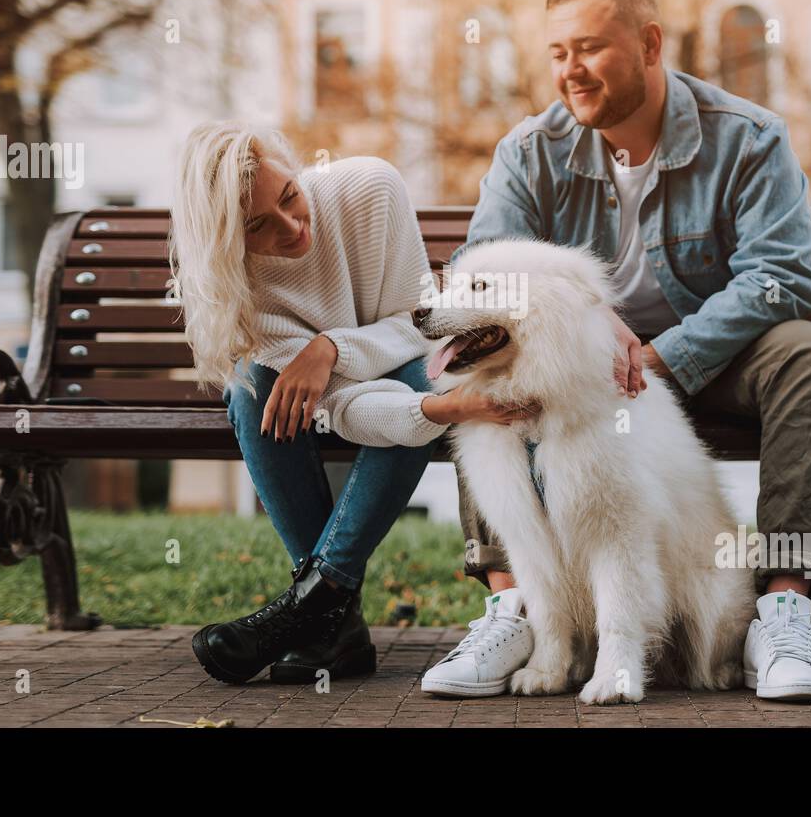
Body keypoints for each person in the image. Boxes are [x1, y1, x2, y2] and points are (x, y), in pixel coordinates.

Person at [421, 0, 811, 703]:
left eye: (588, 48)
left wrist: (662, 355)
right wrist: (592, 324)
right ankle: (514, 605)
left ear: (650, 44)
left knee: (810, 353)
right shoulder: (530, 152)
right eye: (557, 53)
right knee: (483, 365)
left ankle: (782, 607)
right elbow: (484, 272)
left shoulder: (747, 139)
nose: (569, 71)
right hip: (580, 375)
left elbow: (783, 275)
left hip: (711, 361)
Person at [169, 122, 539, 685]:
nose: (292, 228)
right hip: (350, 400)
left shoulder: (369, 188)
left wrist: (329, 347)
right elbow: (342, 405)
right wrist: (365, 383)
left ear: (296, 171)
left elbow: (418, 330)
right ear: (227, 240)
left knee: (418, 379)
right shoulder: (239, 293)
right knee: (250, 391)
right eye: (258, 227)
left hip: (410, 364)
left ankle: (317, 609)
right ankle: (330, 614)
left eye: (290, 196)